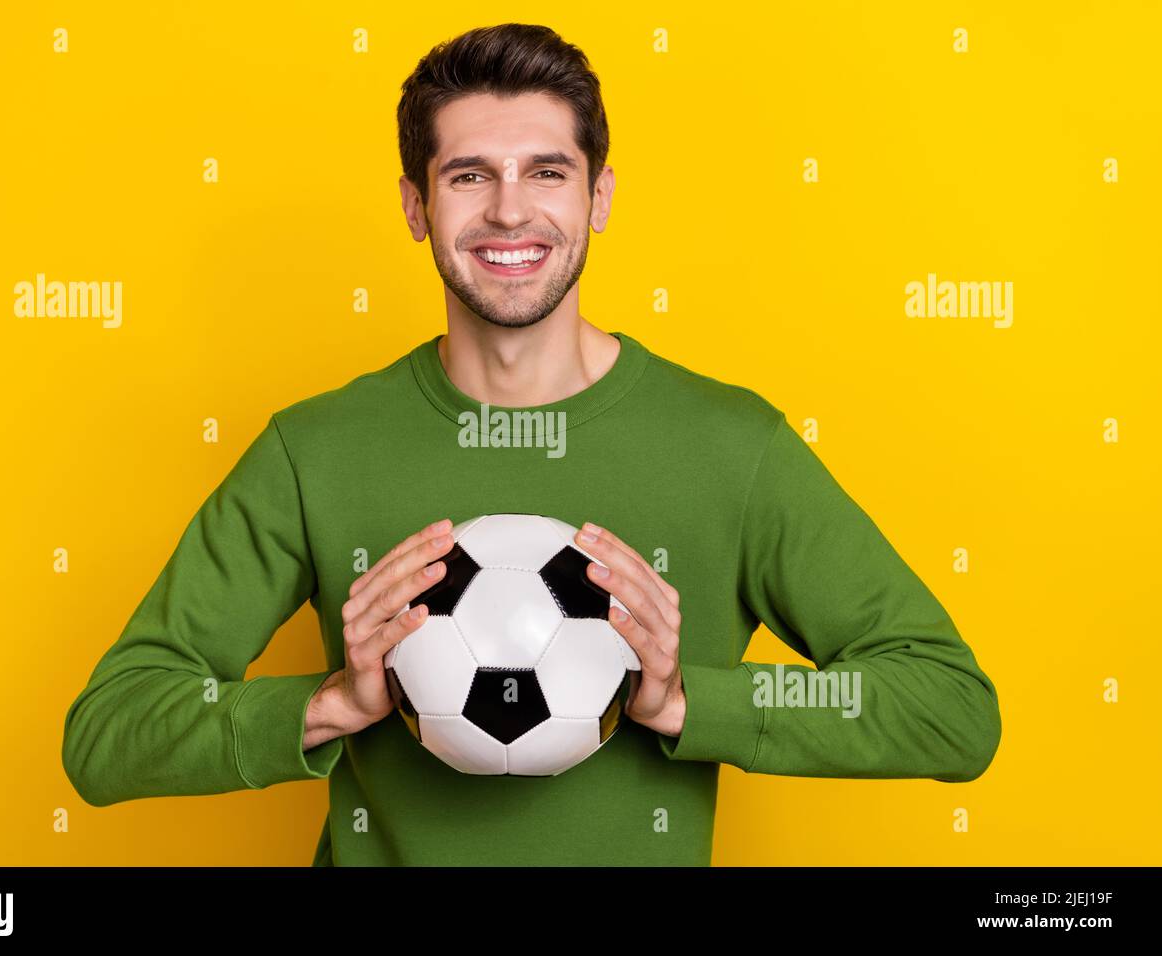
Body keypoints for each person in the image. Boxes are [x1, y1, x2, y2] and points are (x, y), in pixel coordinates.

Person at [62, 22, 1001, 866]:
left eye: (547, 171)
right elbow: (107, 733)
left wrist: (684, 702)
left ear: (598, 197)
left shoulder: (730, 447)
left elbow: (951, 710)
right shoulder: (315, 449)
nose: (511, 211)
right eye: (470, 175)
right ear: (415, 206)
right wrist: (330, 707)